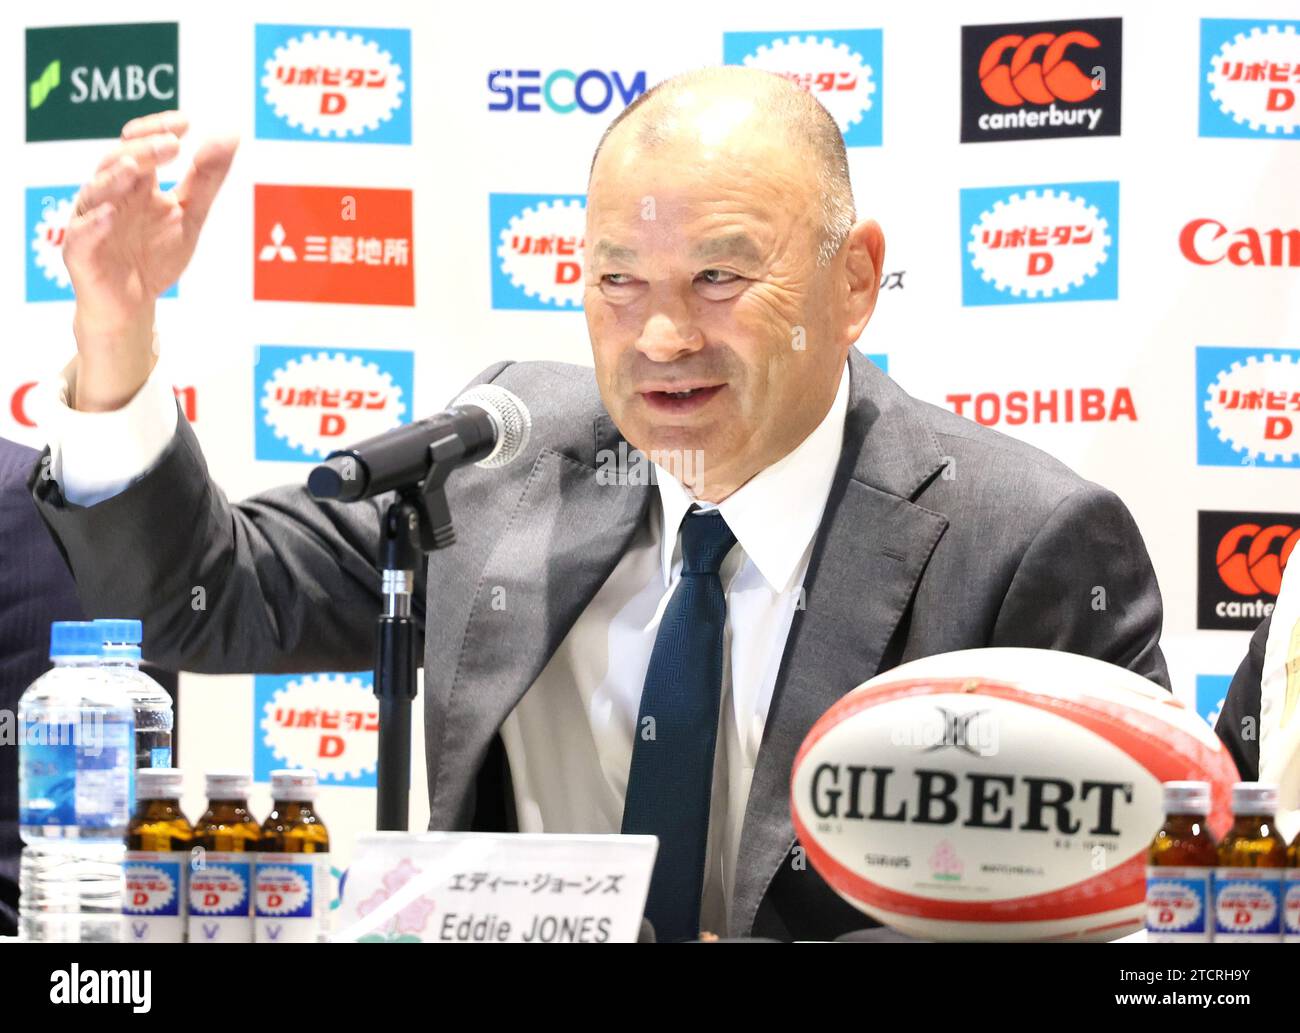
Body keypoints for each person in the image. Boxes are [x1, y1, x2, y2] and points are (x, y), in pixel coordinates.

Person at [28, 68, 1168, 941]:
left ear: (854, 279)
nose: (663, 337)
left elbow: (1125, 922)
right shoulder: (504, 456)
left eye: (720, 278)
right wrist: (116, 335)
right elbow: (201, 596)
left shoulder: (1021, 540)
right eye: (617, 280)